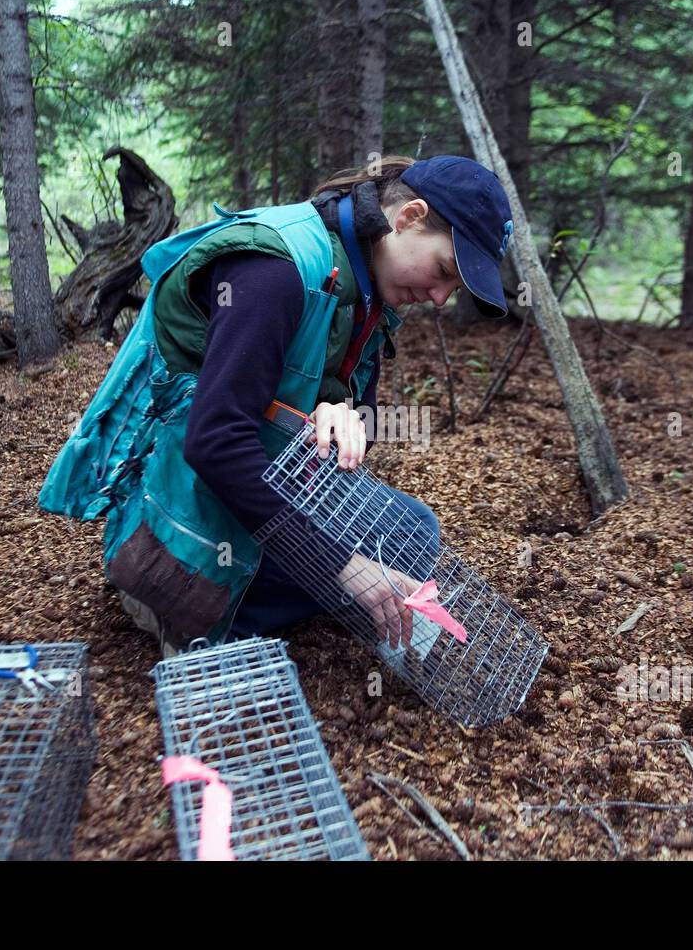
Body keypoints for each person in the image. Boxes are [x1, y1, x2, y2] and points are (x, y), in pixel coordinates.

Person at [40, 154, 515, 658]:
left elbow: (350, 422)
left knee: (413, 534)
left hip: (257, 477)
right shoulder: (275, 268)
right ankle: (184, 604)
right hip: (183, 498)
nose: (441, 298)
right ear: (408, 217)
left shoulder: (367, 283)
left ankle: (278, 592)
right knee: (367, 564)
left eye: (454, 290)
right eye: (444, 270)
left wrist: (336, 407)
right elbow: (216, 441)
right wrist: (343, 565)